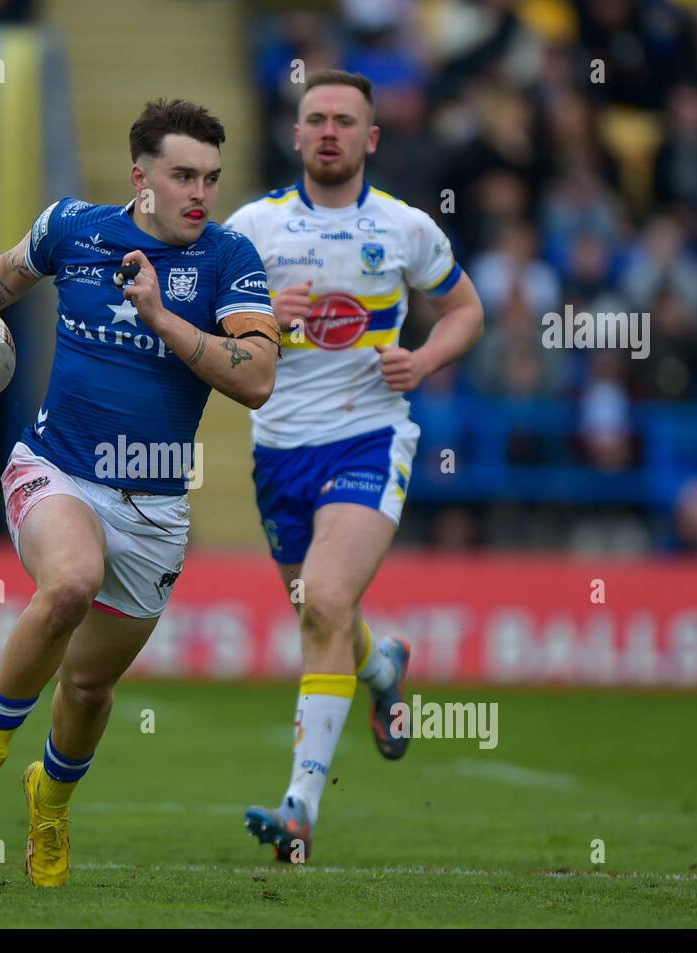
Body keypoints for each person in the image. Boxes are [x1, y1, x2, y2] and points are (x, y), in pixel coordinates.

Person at [0, 99, 279, 886]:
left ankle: (51, 801)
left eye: (210, 177)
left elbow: (259, 378)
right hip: (55, 469)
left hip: (155, 509)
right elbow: (1, 278)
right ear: (141, 178)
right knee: (67, 583)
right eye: (182, 176)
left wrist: (163, 318)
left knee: (87, 685)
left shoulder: (229, 259)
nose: (199, 193)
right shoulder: (74, 228)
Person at [224, 71, 484, 862]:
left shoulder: (405, 229)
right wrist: (267, 316)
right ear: (295, 135)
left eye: (344, 120)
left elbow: (467, 309)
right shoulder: (250, 231)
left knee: (327, 602)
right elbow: (203, 327)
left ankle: (300, 807)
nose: (328, 131)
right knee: (324, 617)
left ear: (371, 138)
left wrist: (427, 359)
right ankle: (385, 664)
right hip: (277, 452)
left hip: (369, 439)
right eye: (315, 119)